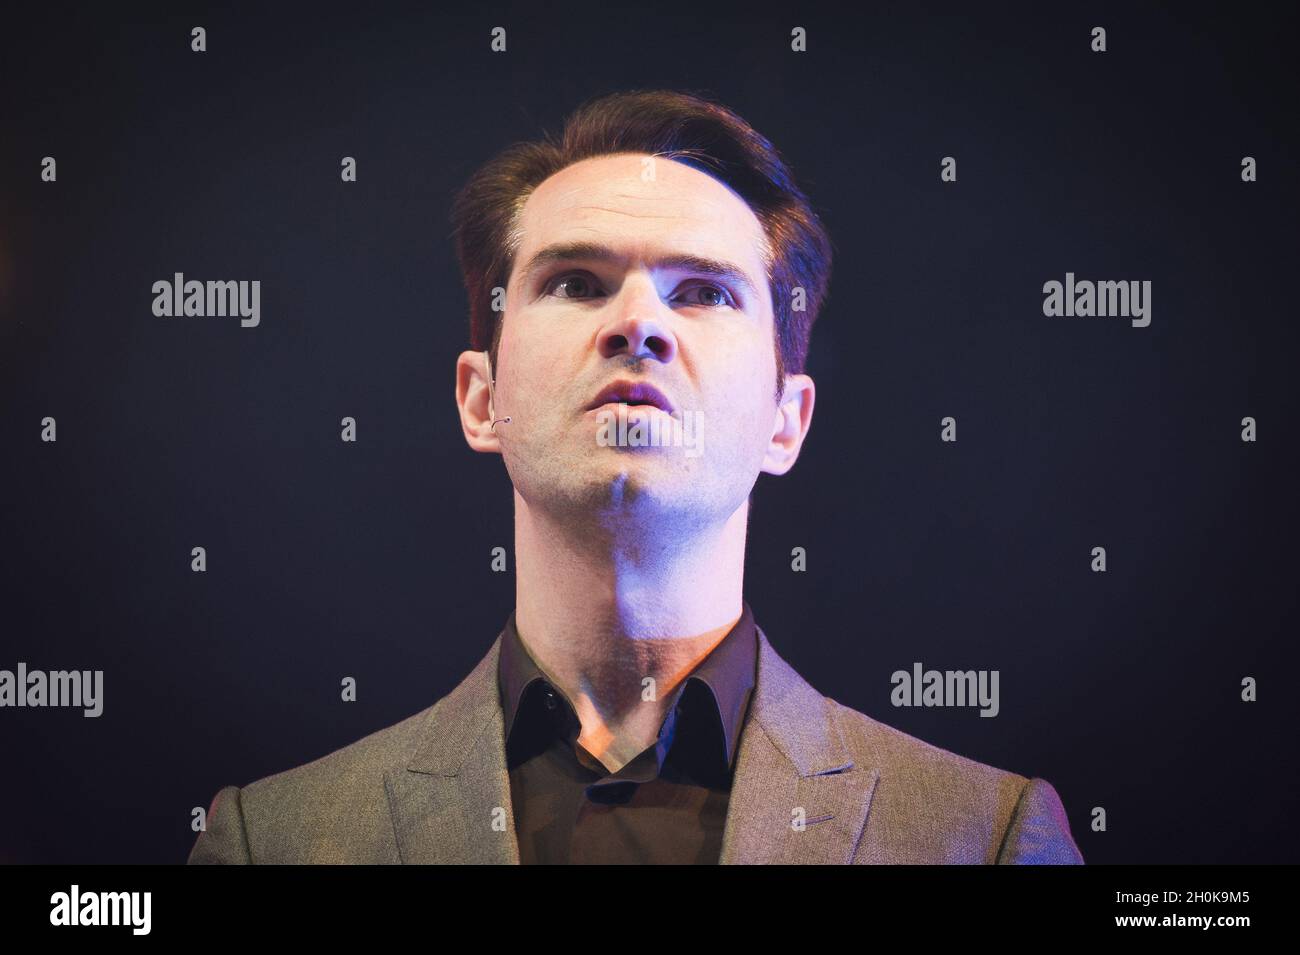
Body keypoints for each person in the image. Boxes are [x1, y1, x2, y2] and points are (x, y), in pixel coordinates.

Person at [188, 89, 1083, 864]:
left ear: (786, 418)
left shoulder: (984, 837)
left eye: (703, 291)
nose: (639, 323)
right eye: (577, 282)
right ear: (480, 398)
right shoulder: (276, 839)